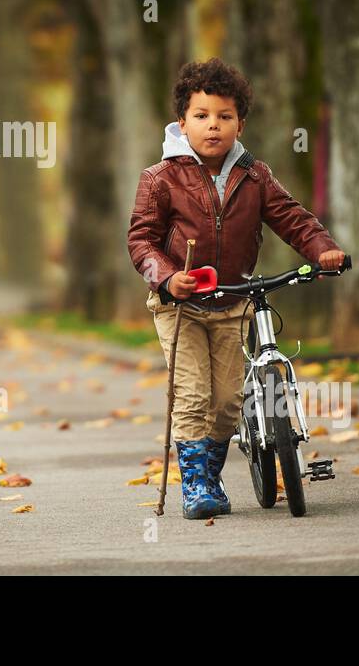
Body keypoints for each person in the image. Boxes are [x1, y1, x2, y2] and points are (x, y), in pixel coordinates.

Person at [127, 58, 344, 519]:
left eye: (224, 117)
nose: (213, 126)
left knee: (227, 402)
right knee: (192, 394)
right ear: (182, 122)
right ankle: (195, 486)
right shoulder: (160, 179)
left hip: (233, 303)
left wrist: (322, 248)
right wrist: (167, 278)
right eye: (202, 116)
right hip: (181, 305)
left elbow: (293, 219)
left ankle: (212, 472)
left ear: (240, 123)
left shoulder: (255, 175)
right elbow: (141, 242)